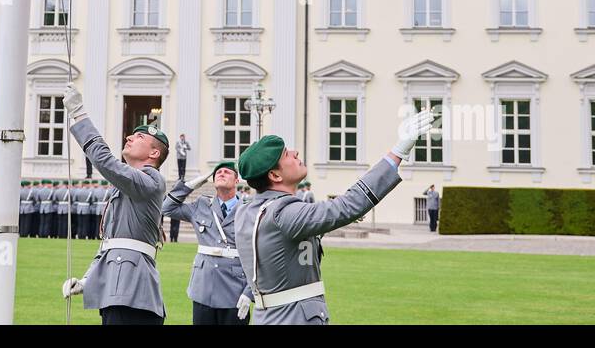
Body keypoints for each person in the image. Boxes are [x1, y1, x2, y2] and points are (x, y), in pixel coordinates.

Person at [233, 108, 434, 325]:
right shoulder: (282, 212)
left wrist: (340, 216)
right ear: (275, 175)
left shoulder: (249, 210)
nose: (295, 153)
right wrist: (398, 152)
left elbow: (285, 244)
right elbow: (345, 206)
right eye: (286, 155)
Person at [59, 85, 167, 326]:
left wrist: (79, 114)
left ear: (154, 153)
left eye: (139, 137)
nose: (129, 137)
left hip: (134, 292)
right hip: (116, 290)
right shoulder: (123, 188)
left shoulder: (151, 180)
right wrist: (87, 280)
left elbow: (105, 162)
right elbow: (110, 245)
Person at [162, 160, 249, 325]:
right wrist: (188, 186)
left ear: (237, 180)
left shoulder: (248, 210)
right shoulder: (201, 205)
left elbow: (258, 255)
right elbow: (167, 208)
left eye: (226, 172)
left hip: (235, 290)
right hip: (203, 288)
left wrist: (249, 292)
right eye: (218, 172)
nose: (221, 173)